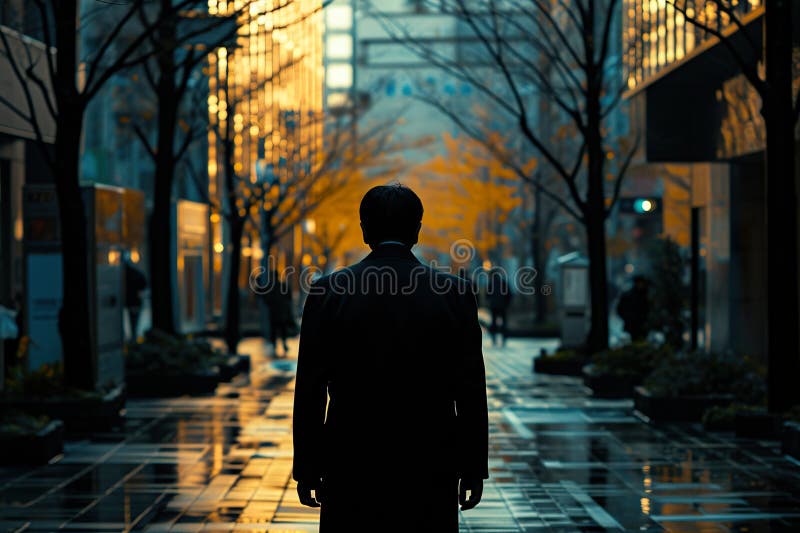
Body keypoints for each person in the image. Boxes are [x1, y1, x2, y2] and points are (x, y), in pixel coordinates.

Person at [292, 184, 488, 532]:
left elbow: (310, 389)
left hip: (351, 457)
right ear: (417, 229)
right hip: (429, 456)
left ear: (364, 228)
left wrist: (307, 466)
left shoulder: (328, 292)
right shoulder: (454, 294)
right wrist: (472, 466)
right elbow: (470, 389)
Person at [263, 269, 294, 357]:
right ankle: (283, 344)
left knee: (274, 328)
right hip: (281, 312)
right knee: (282, 329)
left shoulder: (271, 286)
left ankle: (275, 344)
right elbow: (289, 297)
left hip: (274, 312)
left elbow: (266, 298)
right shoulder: (282, 285)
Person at [616, 275, 650, 342]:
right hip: (634, 324)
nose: (640, 285)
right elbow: (620, 309)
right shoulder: (629, 295)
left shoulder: (646, 295)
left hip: (643, 324)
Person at [123, 253, 147, 340]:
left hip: (131, 303)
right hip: (134, 303)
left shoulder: (125, 274)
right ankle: (133, 338)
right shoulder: (136, 273)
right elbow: (144, 285)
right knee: (134, 324)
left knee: (132, 324)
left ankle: (132, 339)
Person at [487, 270, 512, 347]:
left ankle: (494, 338)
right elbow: (509, 294)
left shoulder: (491, 283)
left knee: (494, 321)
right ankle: (504, 337)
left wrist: (490, 301)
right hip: (502, 306)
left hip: (494, 306)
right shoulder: (503, 283)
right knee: (504, 322)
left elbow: (487, 295)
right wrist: (506, 303)